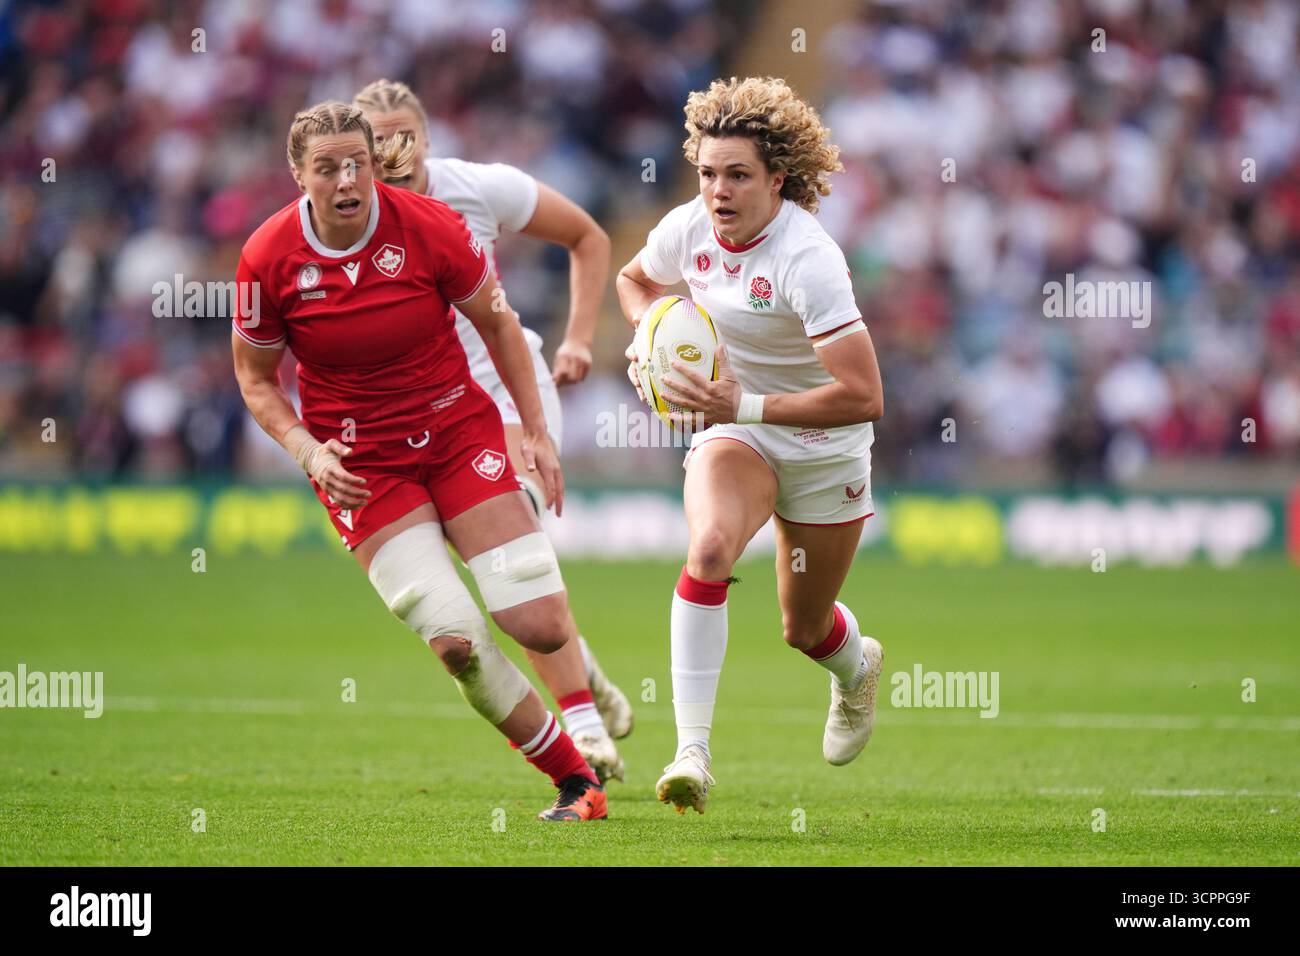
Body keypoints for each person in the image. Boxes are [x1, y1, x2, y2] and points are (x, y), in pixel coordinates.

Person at [231, 101, 605, 821]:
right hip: (361, 468)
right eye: (327, 167)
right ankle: (576, 781)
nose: (346, 180)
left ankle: (591, 694)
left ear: (375, 163)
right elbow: (255, 379)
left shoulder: (430, 226)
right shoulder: (267, 257)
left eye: (357, 163)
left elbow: (496, 322)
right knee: (458, 644)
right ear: (297, 174)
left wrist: (536, 432)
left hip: (456, 436)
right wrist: (308, 450)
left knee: (542, 627)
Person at [615, 76, 886, 814]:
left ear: (778, 179)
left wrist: (748, 399)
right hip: (735, 433)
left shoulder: (809, 259)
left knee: (804, 628)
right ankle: (691, 753)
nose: (718, 191)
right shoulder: (689, 228)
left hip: (824, 445)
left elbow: (865, 396)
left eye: (737, 175)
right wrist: (651, 340)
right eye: (707, 173)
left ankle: (856, 668)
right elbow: (634, 279)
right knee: (708, 551)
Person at [353, 78, 631, 784]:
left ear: (427, 137)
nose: (391, 149)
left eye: (402, 134)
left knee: (508, 562)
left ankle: (587, 729)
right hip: (420, 419)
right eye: (375, 139)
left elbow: (587, 236)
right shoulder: (347, 219)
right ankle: (586, 670)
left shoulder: (478, 188)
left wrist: (576, 340)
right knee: (487, 585)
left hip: (508, 399)